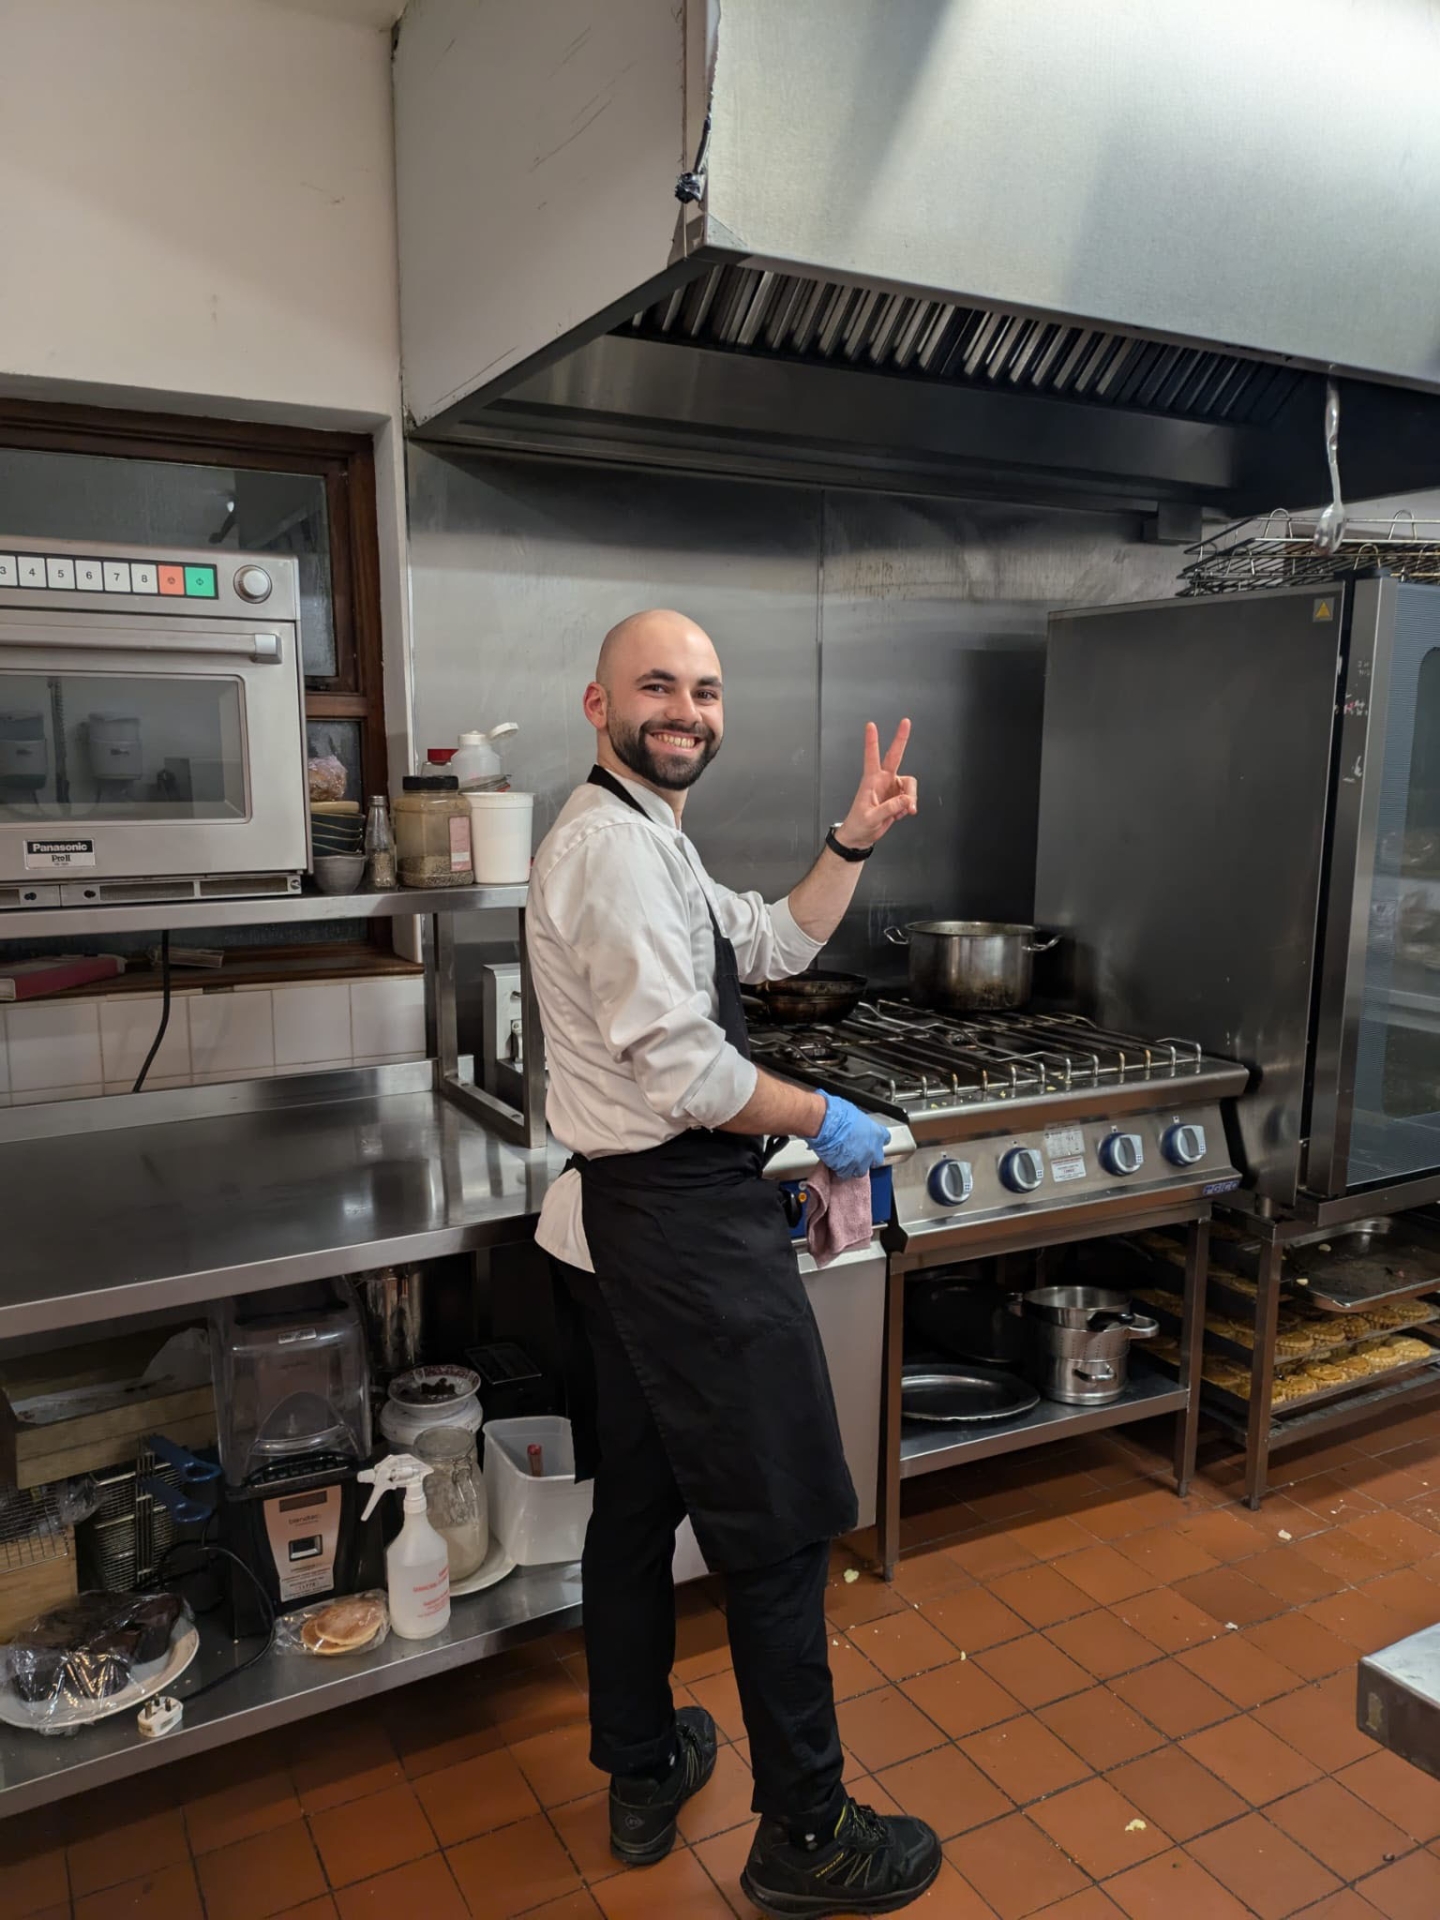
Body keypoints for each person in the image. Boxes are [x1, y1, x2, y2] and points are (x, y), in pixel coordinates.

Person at [528, 608, 939, 1916]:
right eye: (657, 686)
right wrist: (828, 1120)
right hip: (680, 1235)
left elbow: (770, 943)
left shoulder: (653, 837)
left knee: (639, 1509)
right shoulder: (608, 851)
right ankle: (806, 1835)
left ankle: (644, 1767)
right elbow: (691, 1073)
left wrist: (850, 841)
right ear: (597, 706)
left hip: (632, 1232)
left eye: (704, 690)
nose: (686, 710)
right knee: (778, 1529)